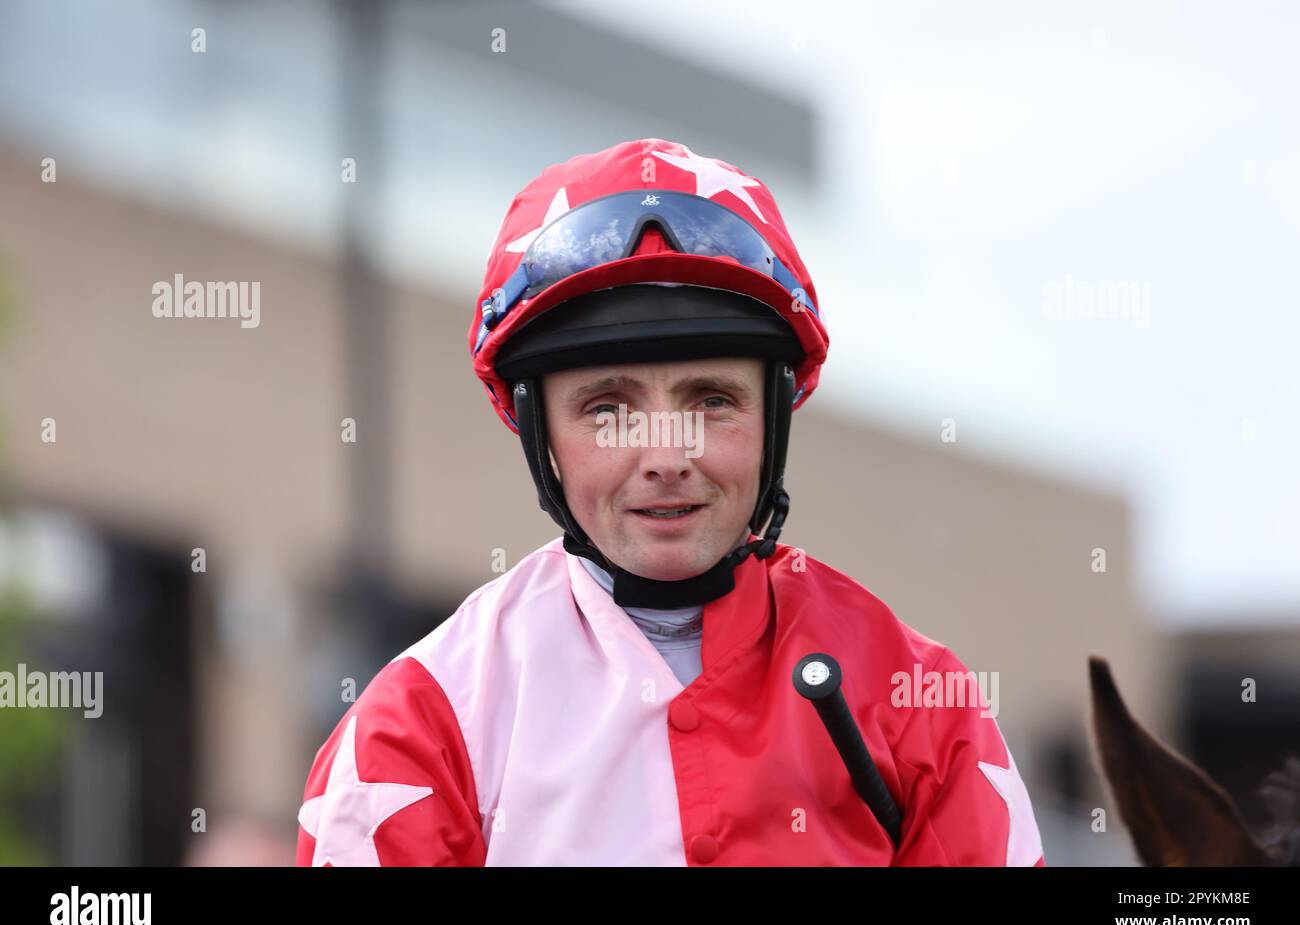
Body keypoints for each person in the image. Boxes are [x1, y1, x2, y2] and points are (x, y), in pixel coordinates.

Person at [295, 138, 1046, 866]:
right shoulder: (417, 727)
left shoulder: (918, 700)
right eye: (607, 409)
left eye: (712, 400)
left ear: (773, 415)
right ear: (539, 430)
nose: (664, 458)